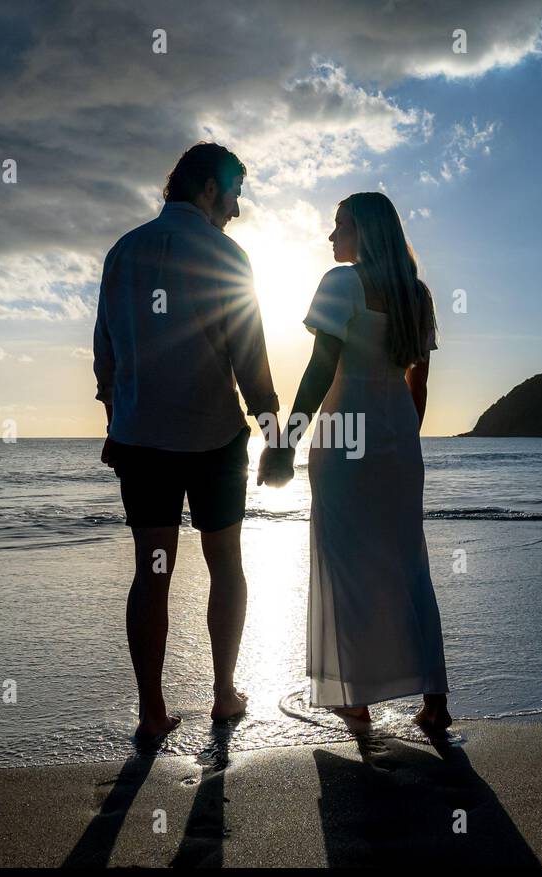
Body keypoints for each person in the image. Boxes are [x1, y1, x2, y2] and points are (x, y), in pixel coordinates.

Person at [93, 142, 288, 741]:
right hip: (211, 440)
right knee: (225, 565)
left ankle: (151, 713)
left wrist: (115, 422)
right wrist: (275, 435)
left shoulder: (123, 252)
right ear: (208, 189)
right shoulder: (227, 255)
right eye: (234, 192)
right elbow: (250, 359)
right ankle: (223, 694)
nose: (237, 205)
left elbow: (106, 354)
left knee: (152, 573)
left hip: (141, 441)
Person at [266, 191, 451, 732]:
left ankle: (357, 696)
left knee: (347, 565)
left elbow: (320, 368)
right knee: (407, 562)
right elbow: (420, 380)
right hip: (397, 436)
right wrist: (401, 439)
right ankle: (434, 700)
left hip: (347, 435)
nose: (331, 237)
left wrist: (284, 442)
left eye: (339, 225)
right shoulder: (417, 294)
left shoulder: (341, 283)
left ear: (363, 231)